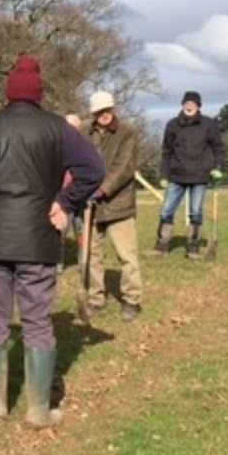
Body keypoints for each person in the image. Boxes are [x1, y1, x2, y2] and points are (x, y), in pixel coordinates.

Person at [0, 55, 105, 427]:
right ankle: (39, 410)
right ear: (39, 93)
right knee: (38, 321)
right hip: (38, 237)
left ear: (9, 93)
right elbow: (94, 171)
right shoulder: (59, 129)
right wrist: (65, 202)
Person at [83, 90, 143, 321]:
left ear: (113, 109)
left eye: (106, 110)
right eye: (99, 112)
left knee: (126, 256)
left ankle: (132, 300)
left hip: (118, 204)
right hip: (91, 206)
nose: (103, 115)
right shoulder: (86, 135)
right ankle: (95, 298)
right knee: (93, 256)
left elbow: (124, 167)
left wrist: (103, 189)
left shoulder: (127, 133)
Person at [155, 91, 226, 259]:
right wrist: (164, 175)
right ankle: (162, 244)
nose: (189, 105)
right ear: (182, 105)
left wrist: (218, 168)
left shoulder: (208, 124)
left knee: (195, 212)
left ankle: (193, 245)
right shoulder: (172, 125)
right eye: (187, 103)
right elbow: (166, 151)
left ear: (198, 106)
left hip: (200, 175)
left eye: (193, 103)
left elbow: (218, 148)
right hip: (176, 175)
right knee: (166, 210)